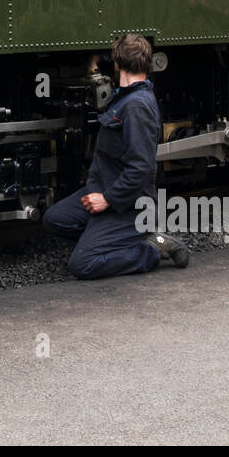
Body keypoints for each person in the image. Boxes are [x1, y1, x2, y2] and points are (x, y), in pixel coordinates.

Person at [42, 33, 189, 279]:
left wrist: (107, 199)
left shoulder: (136, 106)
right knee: (54, 219)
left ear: (118, 63)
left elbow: (141, 169)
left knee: (82, 264)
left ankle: (150, 249)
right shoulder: (126, 98)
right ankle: (112, 239)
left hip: (128, 204)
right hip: (103, 189)